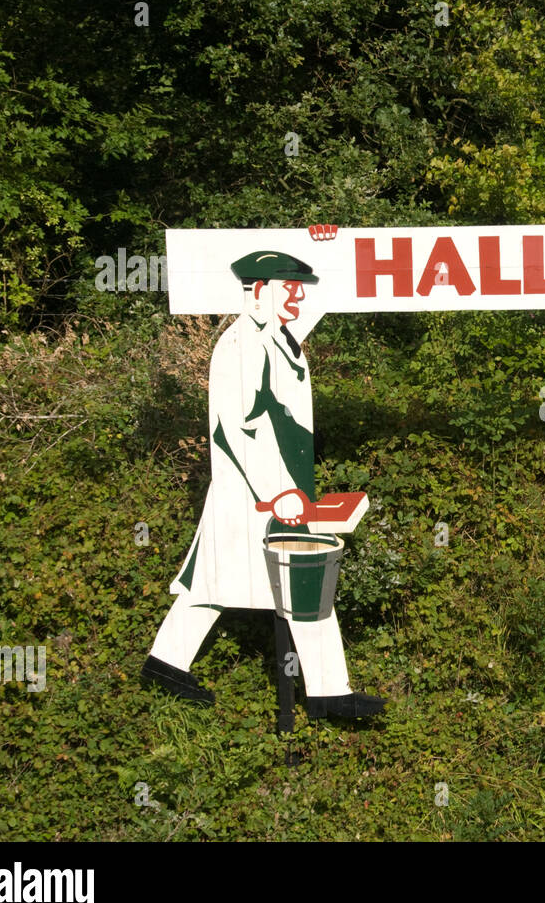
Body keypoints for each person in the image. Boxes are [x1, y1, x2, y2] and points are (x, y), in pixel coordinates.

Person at [141, 238, 386, 719]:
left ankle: (164, 664)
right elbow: (235, 428)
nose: (298, 297)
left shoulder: (276, 334)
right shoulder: (240, 345)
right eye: (289, 289)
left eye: (300, 289)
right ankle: (328, 693)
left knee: (212, 584)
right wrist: (277, 494)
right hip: (259, 494)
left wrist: (329, 240)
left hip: (274, 490)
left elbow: (333, 290)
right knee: (302, 583)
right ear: (257, 293)